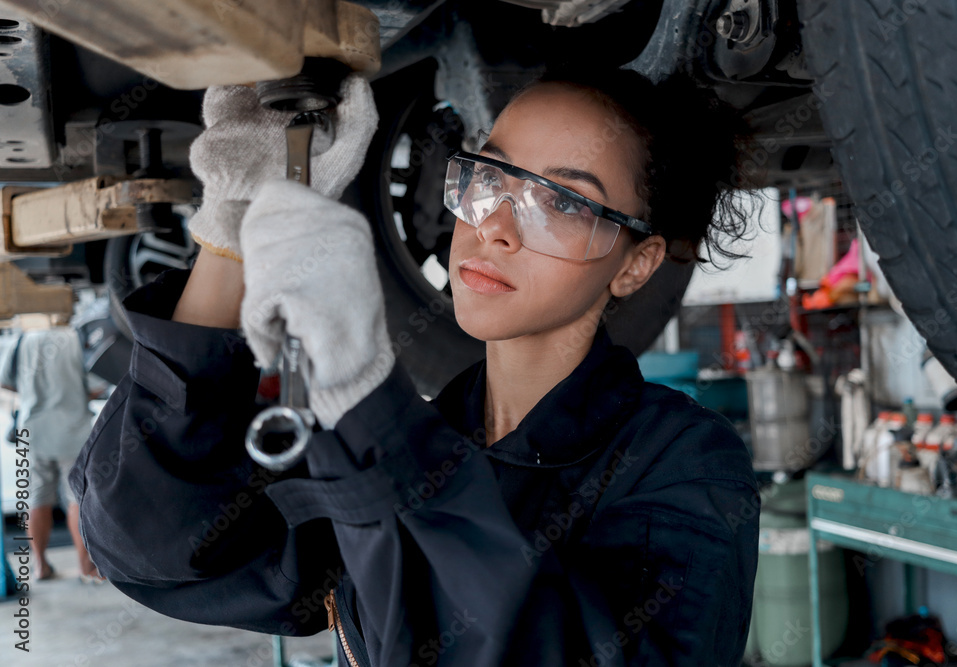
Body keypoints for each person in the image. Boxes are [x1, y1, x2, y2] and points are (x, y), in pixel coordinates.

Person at [70, 65, 761, 665]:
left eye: (561, 200)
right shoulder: (423, 439)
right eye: (492, 175)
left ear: (636, 263)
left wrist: (371, 408)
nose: (493, 224)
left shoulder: (686, 464)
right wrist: (233, 226)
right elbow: (153, 543)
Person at [2, 323, 103, 583]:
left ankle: (39, 566)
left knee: (37, 498)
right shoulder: (76, 338)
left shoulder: (21, 340)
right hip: (71, 430)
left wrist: (33, 391)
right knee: (76, 498)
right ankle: (85, 566)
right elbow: (95, 386)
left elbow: (5, 380)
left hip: (32, 430)